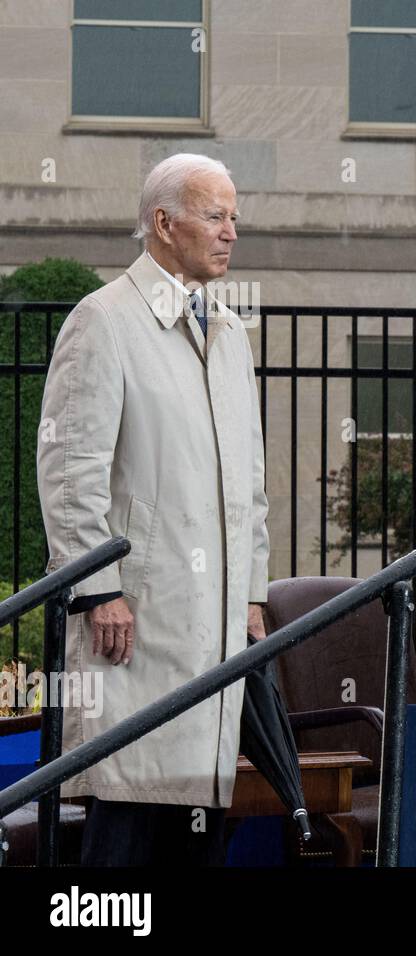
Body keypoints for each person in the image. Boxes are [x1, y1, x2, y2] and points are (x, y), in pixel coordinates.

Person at [36, 153, 269, 865]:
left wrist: (255, 598)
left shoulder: (231, 332)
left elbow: (249, 488)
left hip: (217, 627)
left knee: (198, 828)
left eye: (235, 217)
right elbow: (71, 470)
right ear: (164, 224)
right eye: (215, 216)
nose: (231, 233)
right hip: (136, 619)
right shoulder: (103, 320)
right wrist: (97, 588)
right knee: (129, 825)